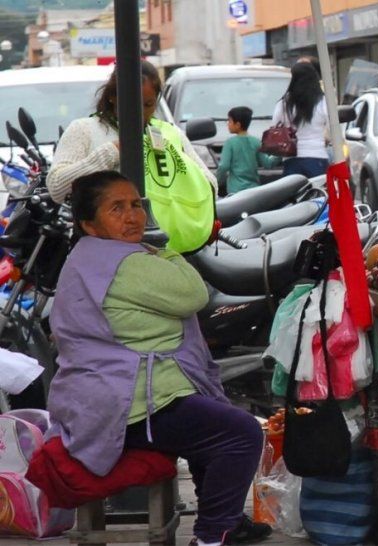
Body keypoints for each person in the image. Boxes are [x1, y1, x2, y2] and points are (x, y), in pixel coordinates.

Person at [45, 170, 271, 546]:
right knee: (242, 433)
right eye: (116, 208)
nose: (132, 216)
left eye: (135, 204)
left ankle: (227, 518)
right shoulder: (127, 263)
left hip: (96, 401)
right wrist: (165, 251)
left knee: (209, 414)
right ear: (89, 223)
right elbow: (192, 294)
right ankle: (214, 535)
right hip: (125, 409)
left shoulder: (87, 257)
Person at [47, 61, 216, 205]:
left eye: (148, 104)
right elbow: (56, 188)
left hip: (168, 240)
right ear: (113, 96)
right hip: (108, 242)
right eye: (132, 104)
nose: (140, 113)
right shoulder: (83, 130)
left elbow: (210, 186)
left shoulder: (169, 133)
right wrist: (111, 153)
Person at [272, 62, 330, 178]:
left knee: (293, 194)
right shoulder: (324, 102)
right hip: (317, 157)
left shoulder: (284, 104)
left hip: (291, 159)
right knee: (318, 193)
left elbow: (274, 127)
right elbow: (331, 130)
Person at [216, 106, 278, 194]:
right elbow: (268, 163)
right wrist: (279, 153)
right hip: (253, 190)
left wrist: (217, 182)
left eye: (229, 121)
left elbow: (223, 166)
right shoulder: (256, 142)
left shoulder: (229, 143)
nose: (227, 123)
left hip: (235, 190)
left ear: (238, 125)